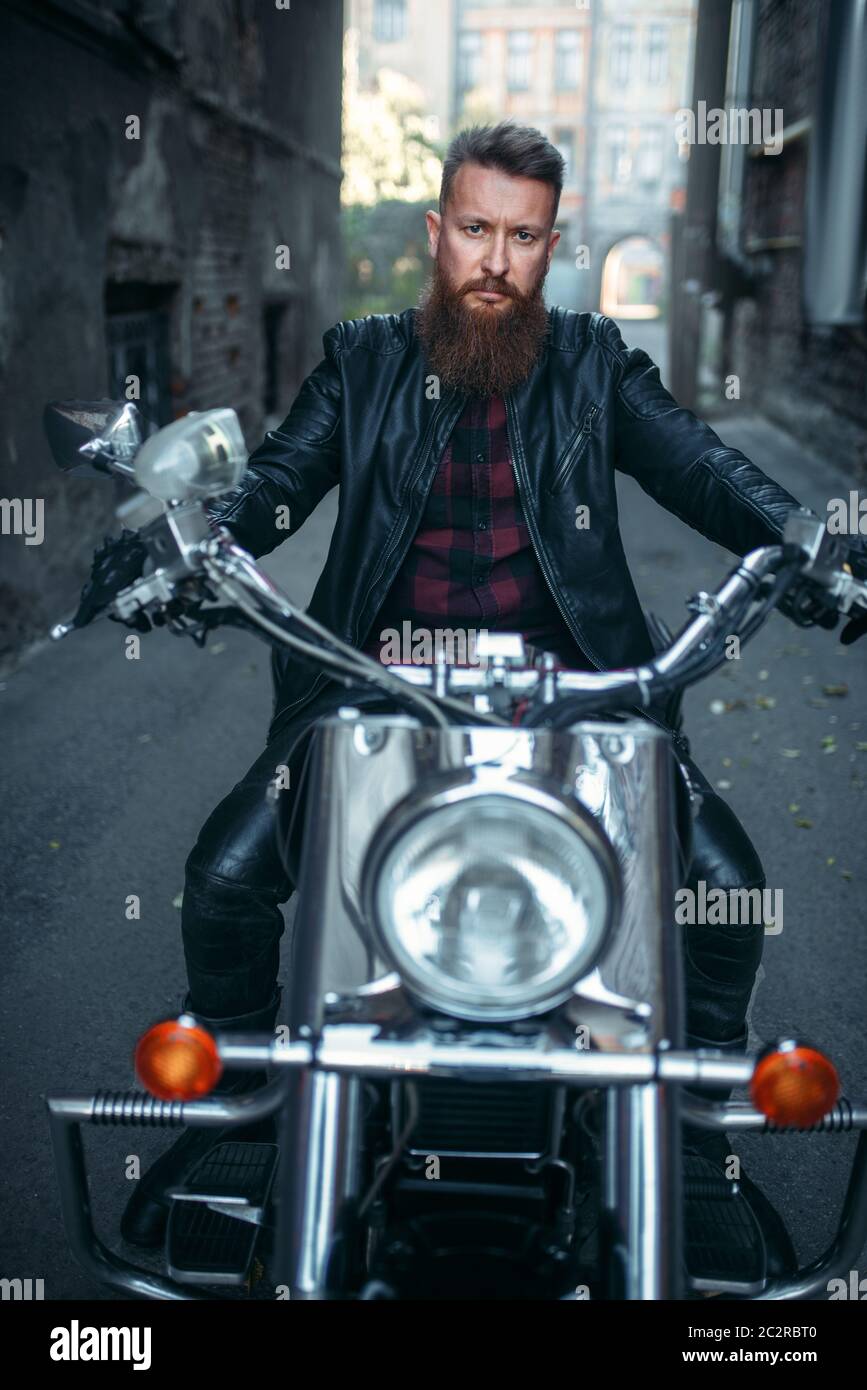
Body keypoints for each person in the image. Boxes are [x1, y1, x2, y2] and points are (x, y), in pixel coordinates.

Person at [115, 121, 849, 1266]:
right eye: (474, 229)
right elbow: (277, 482)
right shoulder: (363, 360)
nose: (496, 261)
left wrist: (812, 544)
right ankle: (244, 1115)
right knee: (223, 875)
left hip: (585, 699)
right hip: (371, 694)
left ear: (552, 244)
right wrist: (184, 548)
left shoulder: (597, 364)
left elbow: (702, 466)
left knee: (728, 886)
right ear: (435, 232)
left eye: (524, 236)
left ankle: (693, 1133)